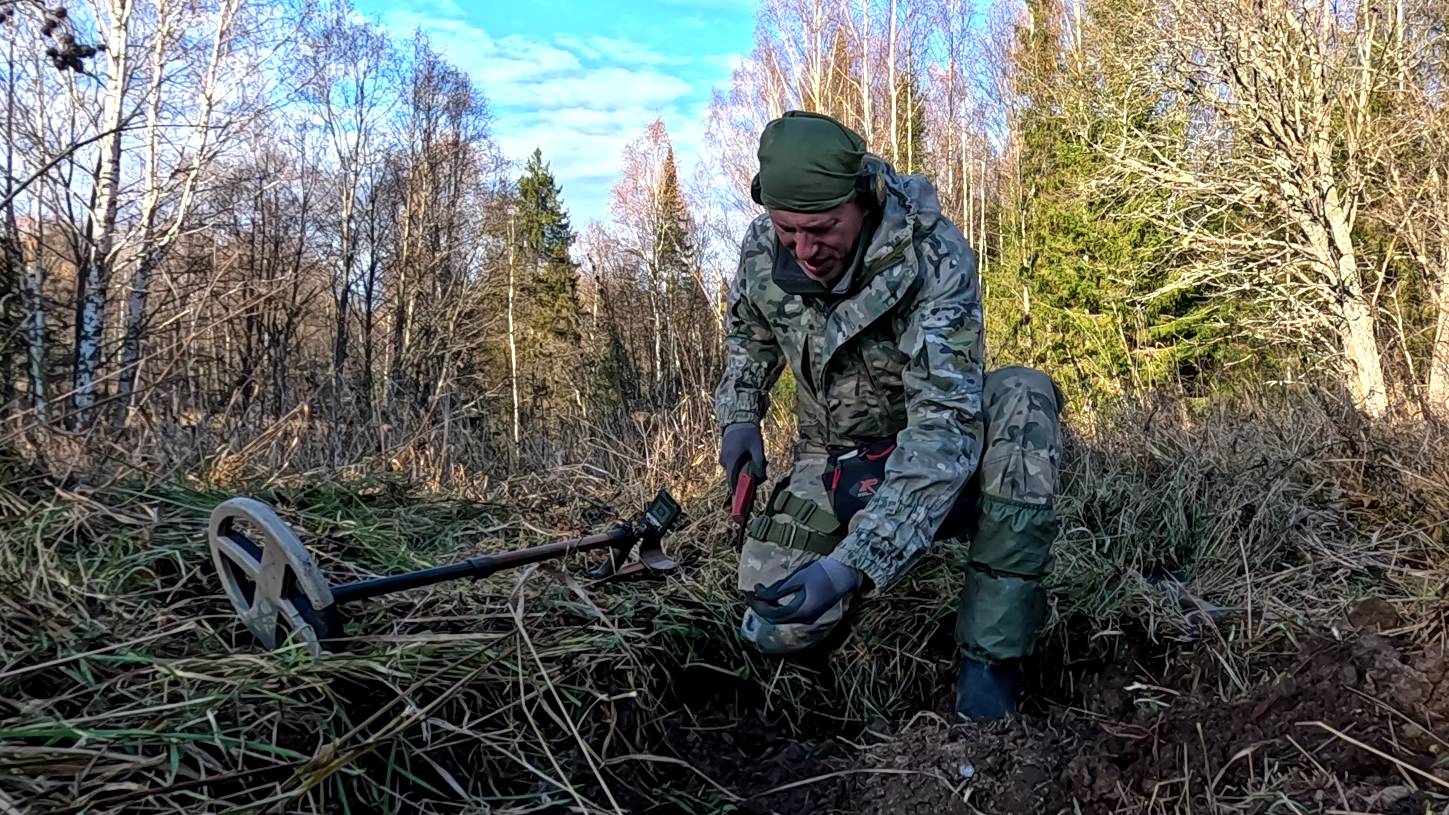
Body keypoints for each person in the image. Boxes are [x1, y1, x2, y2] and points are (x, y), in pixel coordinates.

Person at [715, 110, 1065, 721]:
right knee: (776, 625)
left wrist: (854, 564)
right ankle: (879, 537)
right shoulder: (762, 247)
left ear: (863, 198)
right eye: (787, 229)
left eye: (822, 228)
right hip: (831, 456)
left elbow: (945, 424)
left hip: (932, 444)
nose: (805, 250)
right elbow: (750, 333)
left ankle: (990, 663)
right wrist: (740, 413)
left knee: (1023, 396)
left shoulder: (934, 256)